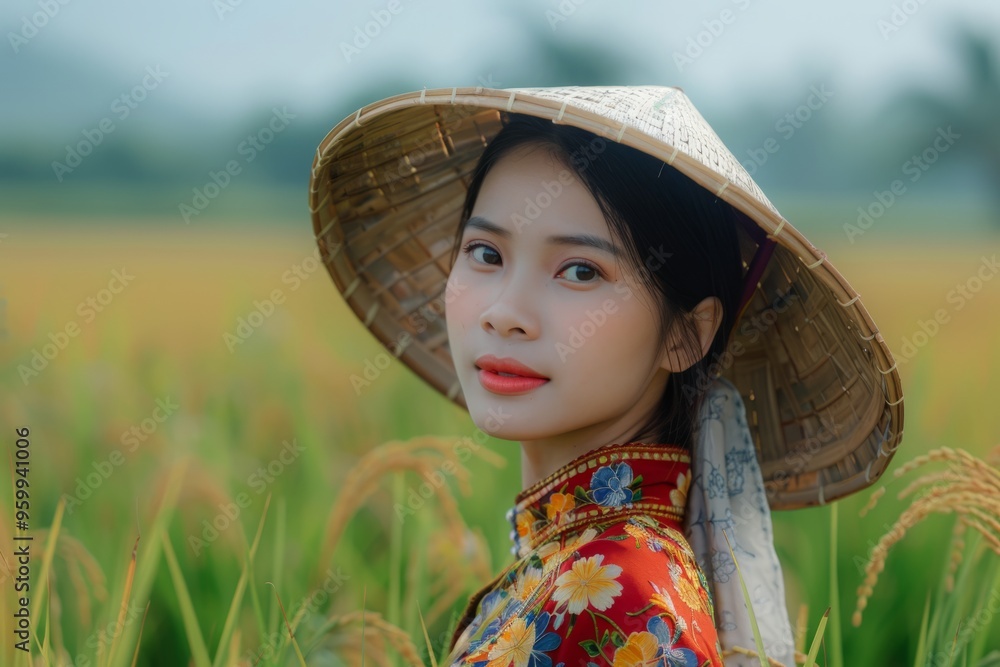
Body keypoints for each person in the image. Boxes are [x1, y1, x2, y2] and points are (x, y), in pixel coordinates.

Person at [307, 85, 905, 666]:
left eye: (580, 271)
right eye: (486, 254)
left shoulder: (623, 594)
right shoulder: (577, 562)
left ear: (686, 335)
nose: (505, 313)